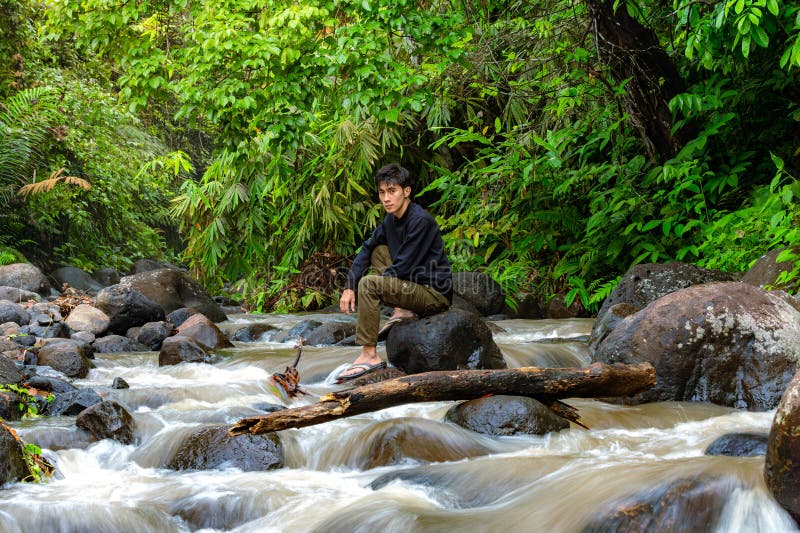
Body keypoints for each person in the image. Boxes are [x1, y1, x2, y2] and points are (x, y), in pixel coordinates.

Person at [336, 163, 452, 382]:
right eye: (382, 192)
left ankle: (369, 355)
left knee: (370, 284)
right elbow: (367, 248)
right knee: (378, 251)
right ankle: (403, 309)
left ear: (406, 191)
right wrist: (349, 286)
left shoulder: (420, 220)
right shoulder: (391, 220)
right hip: (411, 284)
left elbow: (403, 266)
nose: (386, 198)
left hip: (433, 293)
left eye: (392, 191)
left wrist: (373, 288)